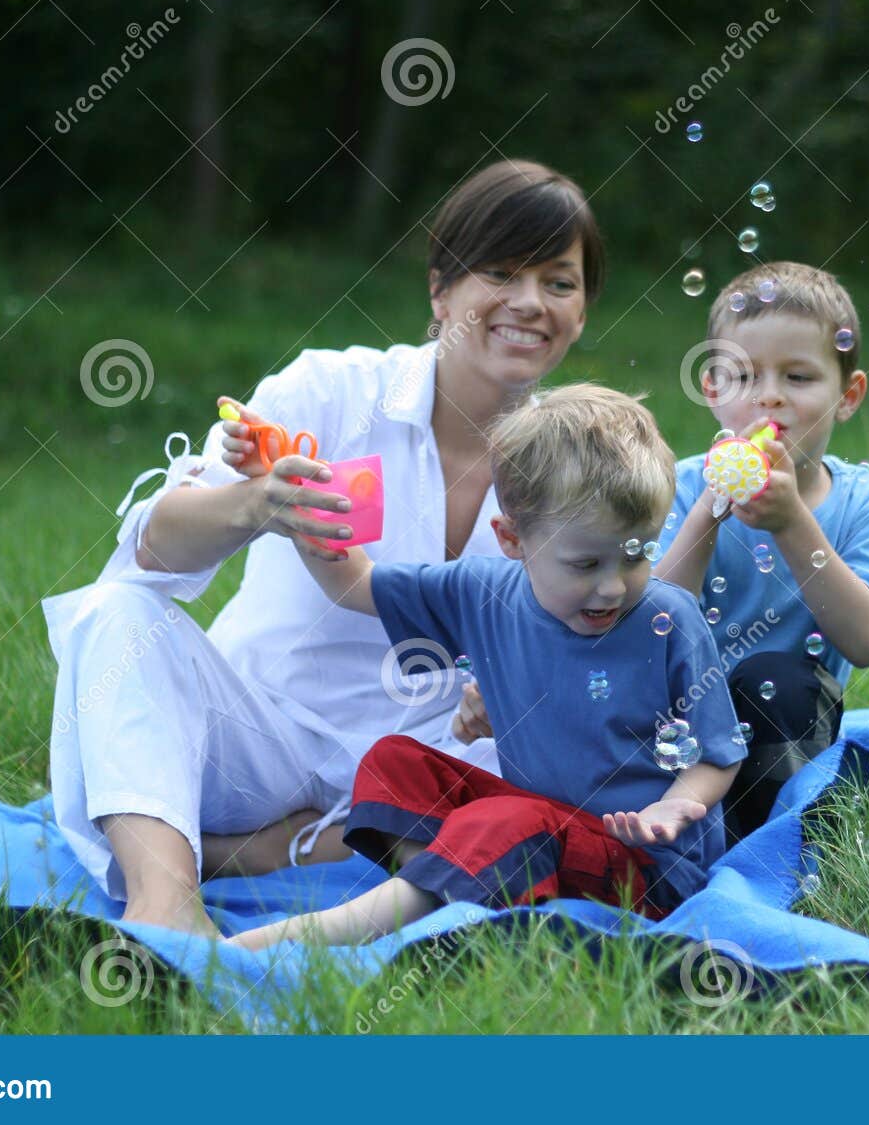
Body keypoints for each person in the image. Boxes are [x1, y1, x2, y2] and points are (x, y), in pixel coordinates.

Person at [41, 160, 604, 934]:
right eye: (501, 273)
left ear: (583, 310)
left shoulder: (578, 457)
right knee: (116, 613)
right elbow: (151, 549)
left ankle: (272, 852)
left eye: (559, 282)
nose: (531, 302)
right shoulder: (330, 392)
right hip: (261, 743)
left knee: (571, 749)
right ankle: (168, 906)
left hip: (425, 772)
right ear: (440, 292)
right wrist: (255, 505)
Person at [228, 385, 743, 949]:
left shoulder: (671, 618)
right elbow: (358, 586)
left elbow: (718, 753)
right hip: (540, 828)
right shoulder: (483, 590)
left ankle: (319, 935)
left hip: (645, 867)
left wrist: (673, 806)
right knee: (396, 762)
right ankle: (452, 898)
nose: (613, 586)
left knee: (506, 823)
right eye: (585, 563)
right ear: (512, 539)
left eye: (636, 554)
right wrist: (292, 497)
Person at [653, 261, 869, 840]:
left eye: (798, 377)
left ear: (847, 395)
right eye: (744, 377)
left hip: (784, 728)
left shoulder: (865, 503)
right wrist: (709, 512)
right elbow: (652, 622)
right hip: (674, 719)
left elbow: (867, 642)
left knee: (777, 676)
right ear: (712, 388)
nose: (769, 397)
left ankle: (770, 845)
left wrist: (793, 521)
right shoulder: (679, 487)